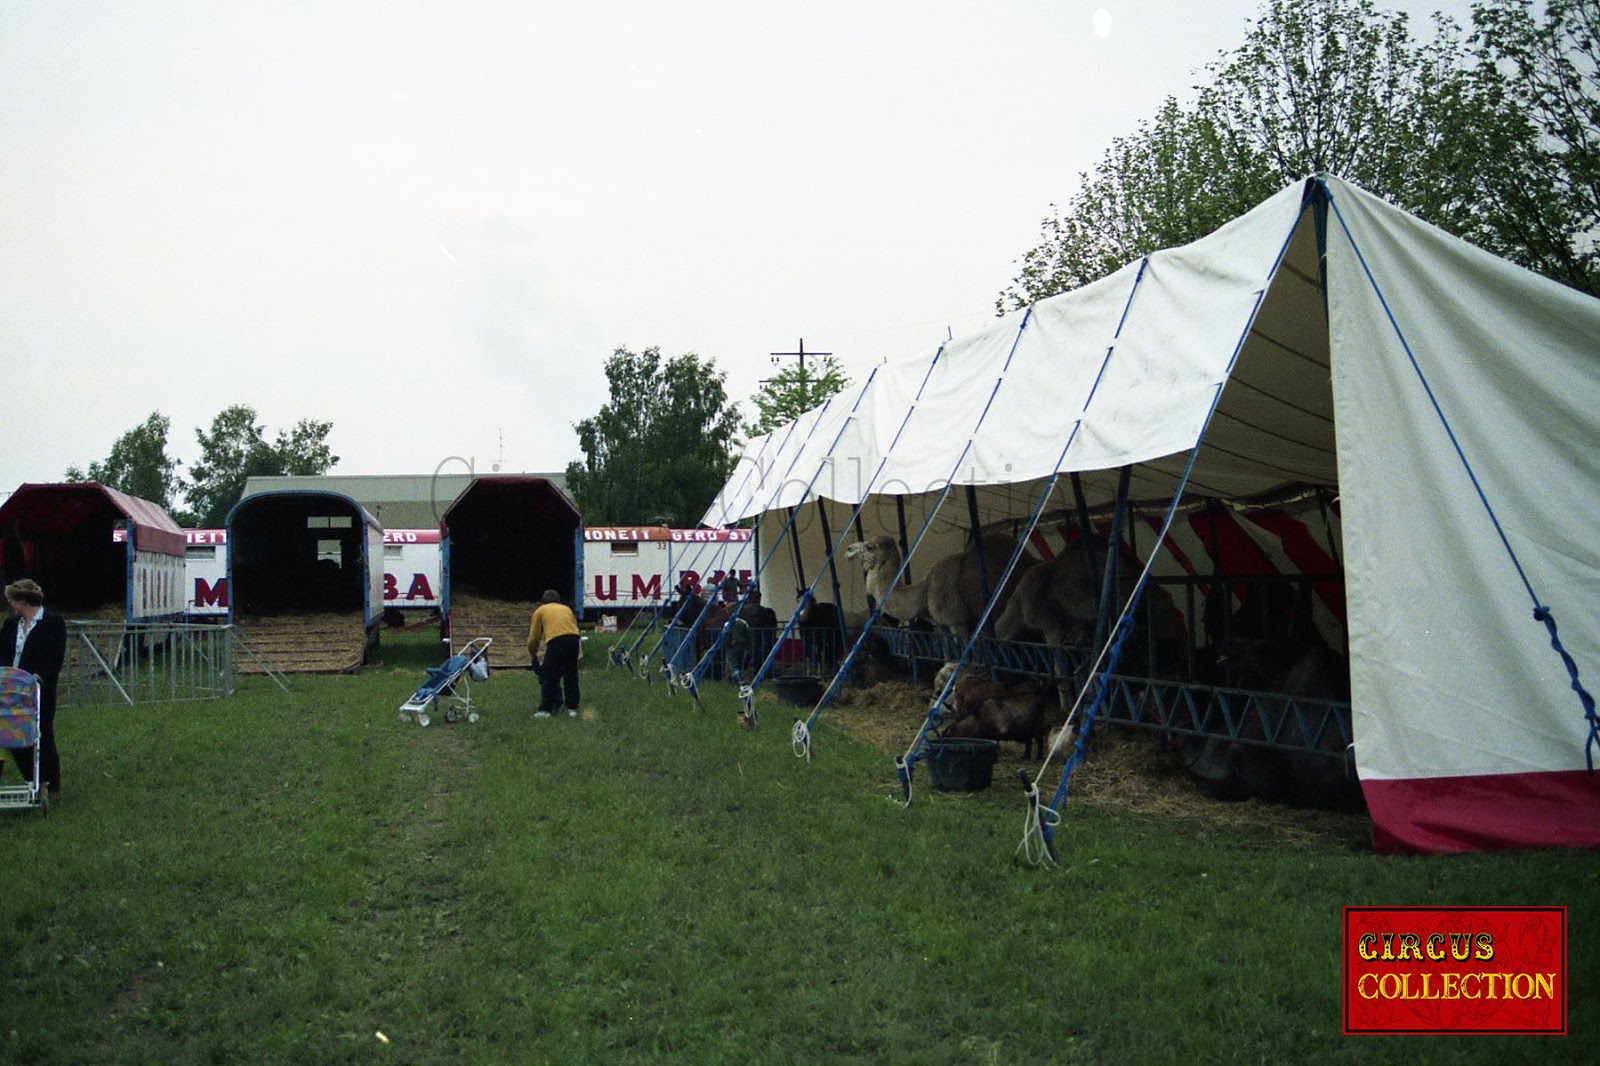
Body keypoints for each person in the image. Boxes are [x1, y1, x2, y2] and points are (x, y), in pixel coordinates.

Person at [2, 579, 67, 793]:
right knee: (11, 733)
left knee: (42, 734)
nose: (10, 605)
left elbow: (55, 657)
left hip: (36, 689)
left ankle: (50, 783)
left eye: (12, 600)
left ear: (23, 601)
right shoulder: (11, 625)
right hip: (10, 690)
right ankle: (32, 778)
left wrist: (40, 677)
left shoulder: (53, 623)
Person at [526, 589, 581, 717]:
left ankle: (545, 709)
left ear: (543, 602)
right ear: (558, 600)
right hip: (574, 639)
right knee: (571, 674)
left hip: (556, 641)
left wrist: (532, 652)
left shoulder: (540, 611)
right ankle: (572, 708)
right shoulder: (566, 609)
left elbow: (534, 637)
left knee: (550, 674)